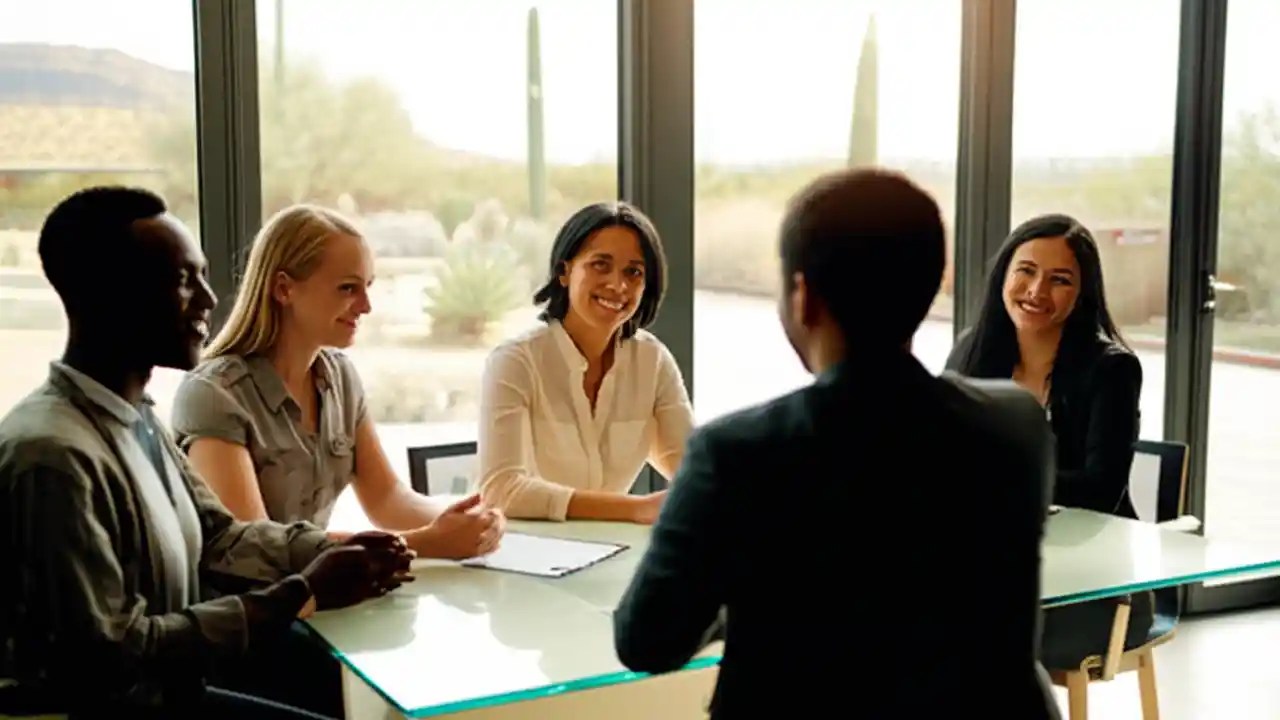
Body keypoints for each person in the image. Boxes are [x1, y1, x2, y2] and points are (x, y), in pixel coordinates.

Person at [613, 169, 1061, 718]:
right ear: (929, 286)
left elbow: (646, 640)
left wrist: (743, 591)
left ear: (802, 297)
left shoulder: (738, 454)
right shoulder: (1016, 428)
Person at [0, 187, 413, 719]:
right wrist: (301, 592)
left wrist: (334, 551)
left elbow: (220, 534)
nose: (209, 300)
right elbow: (109, 656)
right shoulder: (51, 457)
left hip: (168, 691)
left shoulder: (137, 418)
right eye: (182, 281)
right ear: (110, 294)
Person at [170, 204, 504, 561]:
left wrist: (467, 519)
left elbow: (387, 498)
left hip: (323, 595)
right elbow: (253, 547)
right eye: (348, 288)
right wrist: (422, 543)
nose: (366, 306)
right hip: (251, 609)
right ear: (284, 289)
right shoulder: (213, 394)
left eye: (368, 287)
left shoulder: (341, 377)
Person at [944, 213, 1152, 672]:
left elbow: (1100, 488)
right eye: (1026, 271)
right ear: (1004, 273)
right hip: (993, 566)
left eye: (1060, 280)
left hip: (1097, 584)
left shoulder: (1112, 370)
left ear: (1082, 294)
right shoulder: (972, 350)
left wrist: (1001, 477)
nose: (1037, 292)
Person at [476, 201, 693, 522]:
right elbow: (500, 490)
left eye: (633, 272)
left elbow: (693, 468)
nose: (617, 285)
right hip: (517, 553)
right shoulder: (516, 361)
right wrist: (636, 508)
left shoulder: (652, 360)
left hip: (611, 552)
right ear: (564, 272)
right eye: (600, 265)